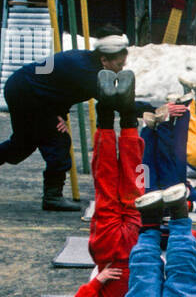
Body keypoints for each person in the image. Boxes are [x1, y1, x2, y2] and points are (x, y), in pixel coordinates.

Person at [0, 26, 130, 211]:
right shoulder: (88, 73)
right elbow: (116, 101)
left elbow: (59, 86)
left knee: (22, 145)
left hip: (27, 89)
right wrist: (153, 109)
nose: (121, 69)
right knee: (58, 141)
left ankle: (52, 195)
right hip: (27, 94)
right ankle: (52, 197)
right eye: (118, 65)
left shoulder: (88, 62)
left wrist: (58, 114)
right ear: (104, 59)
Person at [68, 71, 142, 297]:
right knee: (119, 181)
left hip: (109, 248)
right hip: (133, 245)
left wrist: (99, 280)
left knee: (116, 181)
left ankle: (113, 113)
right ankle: (120, 114)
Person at [140, 102, 196, 215]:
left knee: (153, 161)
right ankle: (151, 127)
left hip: (151, 189)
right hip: (152, 187)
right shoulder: (186, 190)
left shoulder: (184, 189)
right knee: (152, 161)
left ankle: (156, 125)